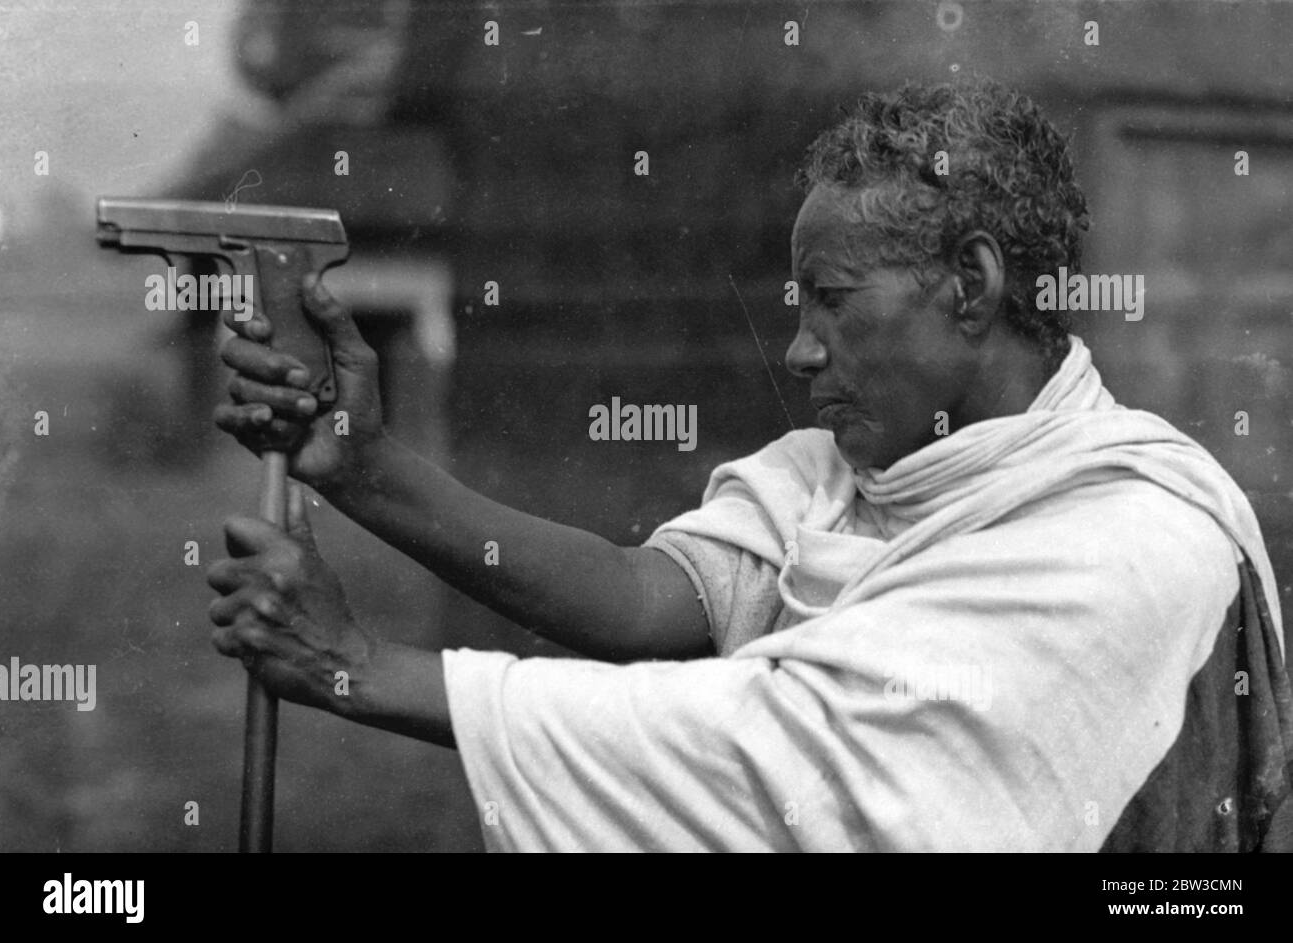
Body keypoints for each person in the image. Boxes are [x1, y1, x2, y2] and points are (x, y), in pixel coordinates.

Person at [207, 81, 1293, 851]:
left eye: (833, 301)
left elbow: (789, 756)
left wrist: (358, 665)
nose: (801, 349)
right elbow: (636, 599)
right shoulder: (834, 475)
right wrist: (362, 469)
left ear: (970, 283)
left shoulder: (1133, 541)